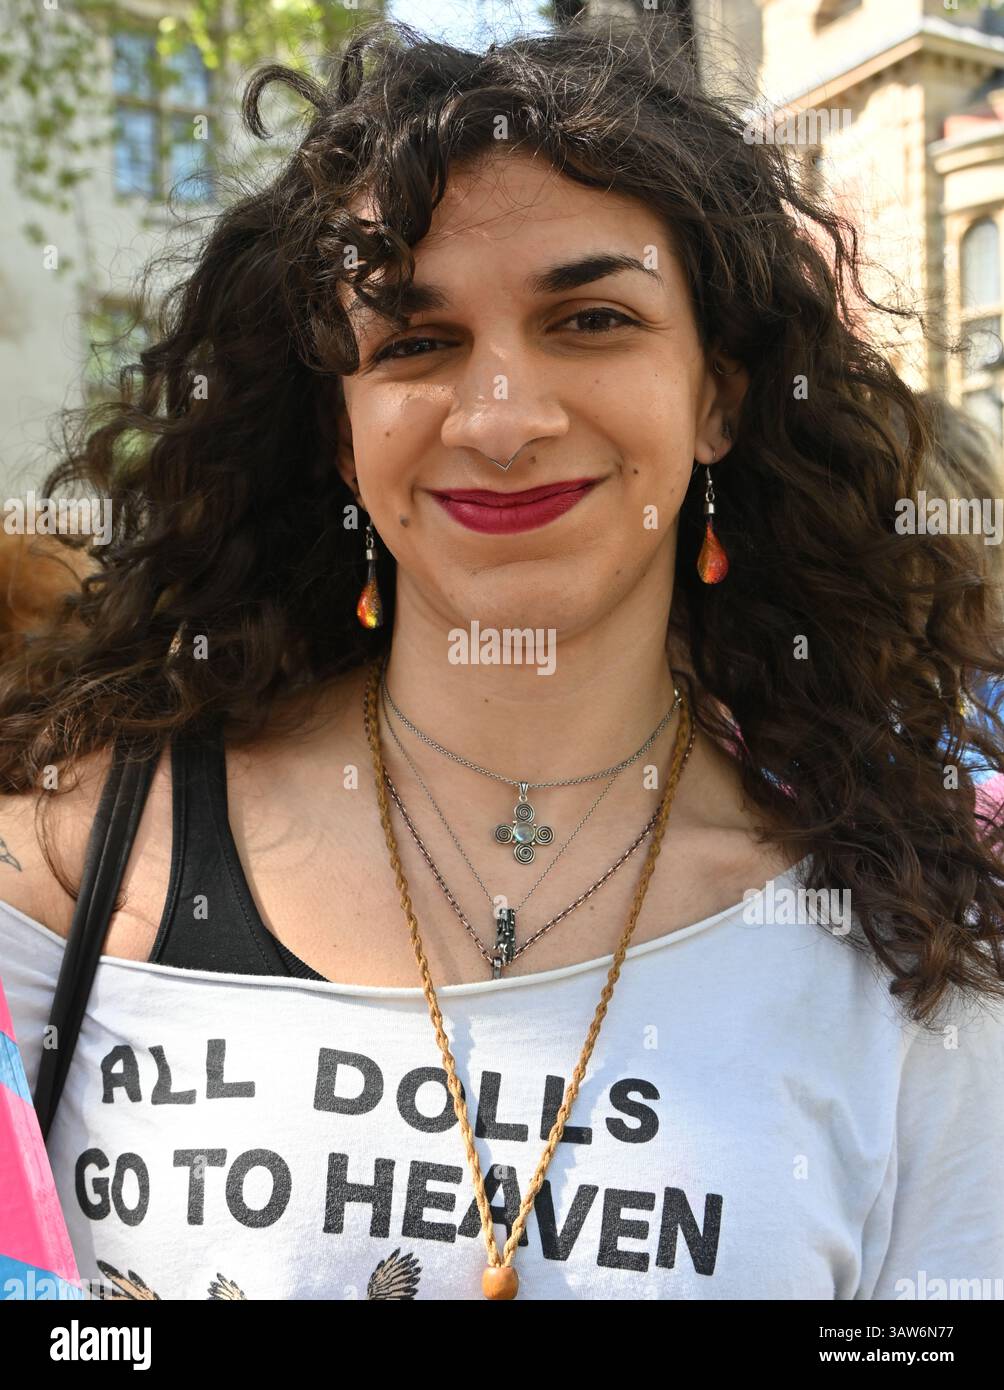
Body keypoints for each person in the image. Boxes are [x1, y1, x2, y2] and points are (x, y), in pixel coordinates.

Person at [0, 15, 1002, 1303]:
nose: (503, 419)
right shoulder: (74, 859)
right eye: (415, 344)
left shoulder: (909, 945)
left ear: (719, 396)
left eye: (590, 319)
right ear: (341, 429)